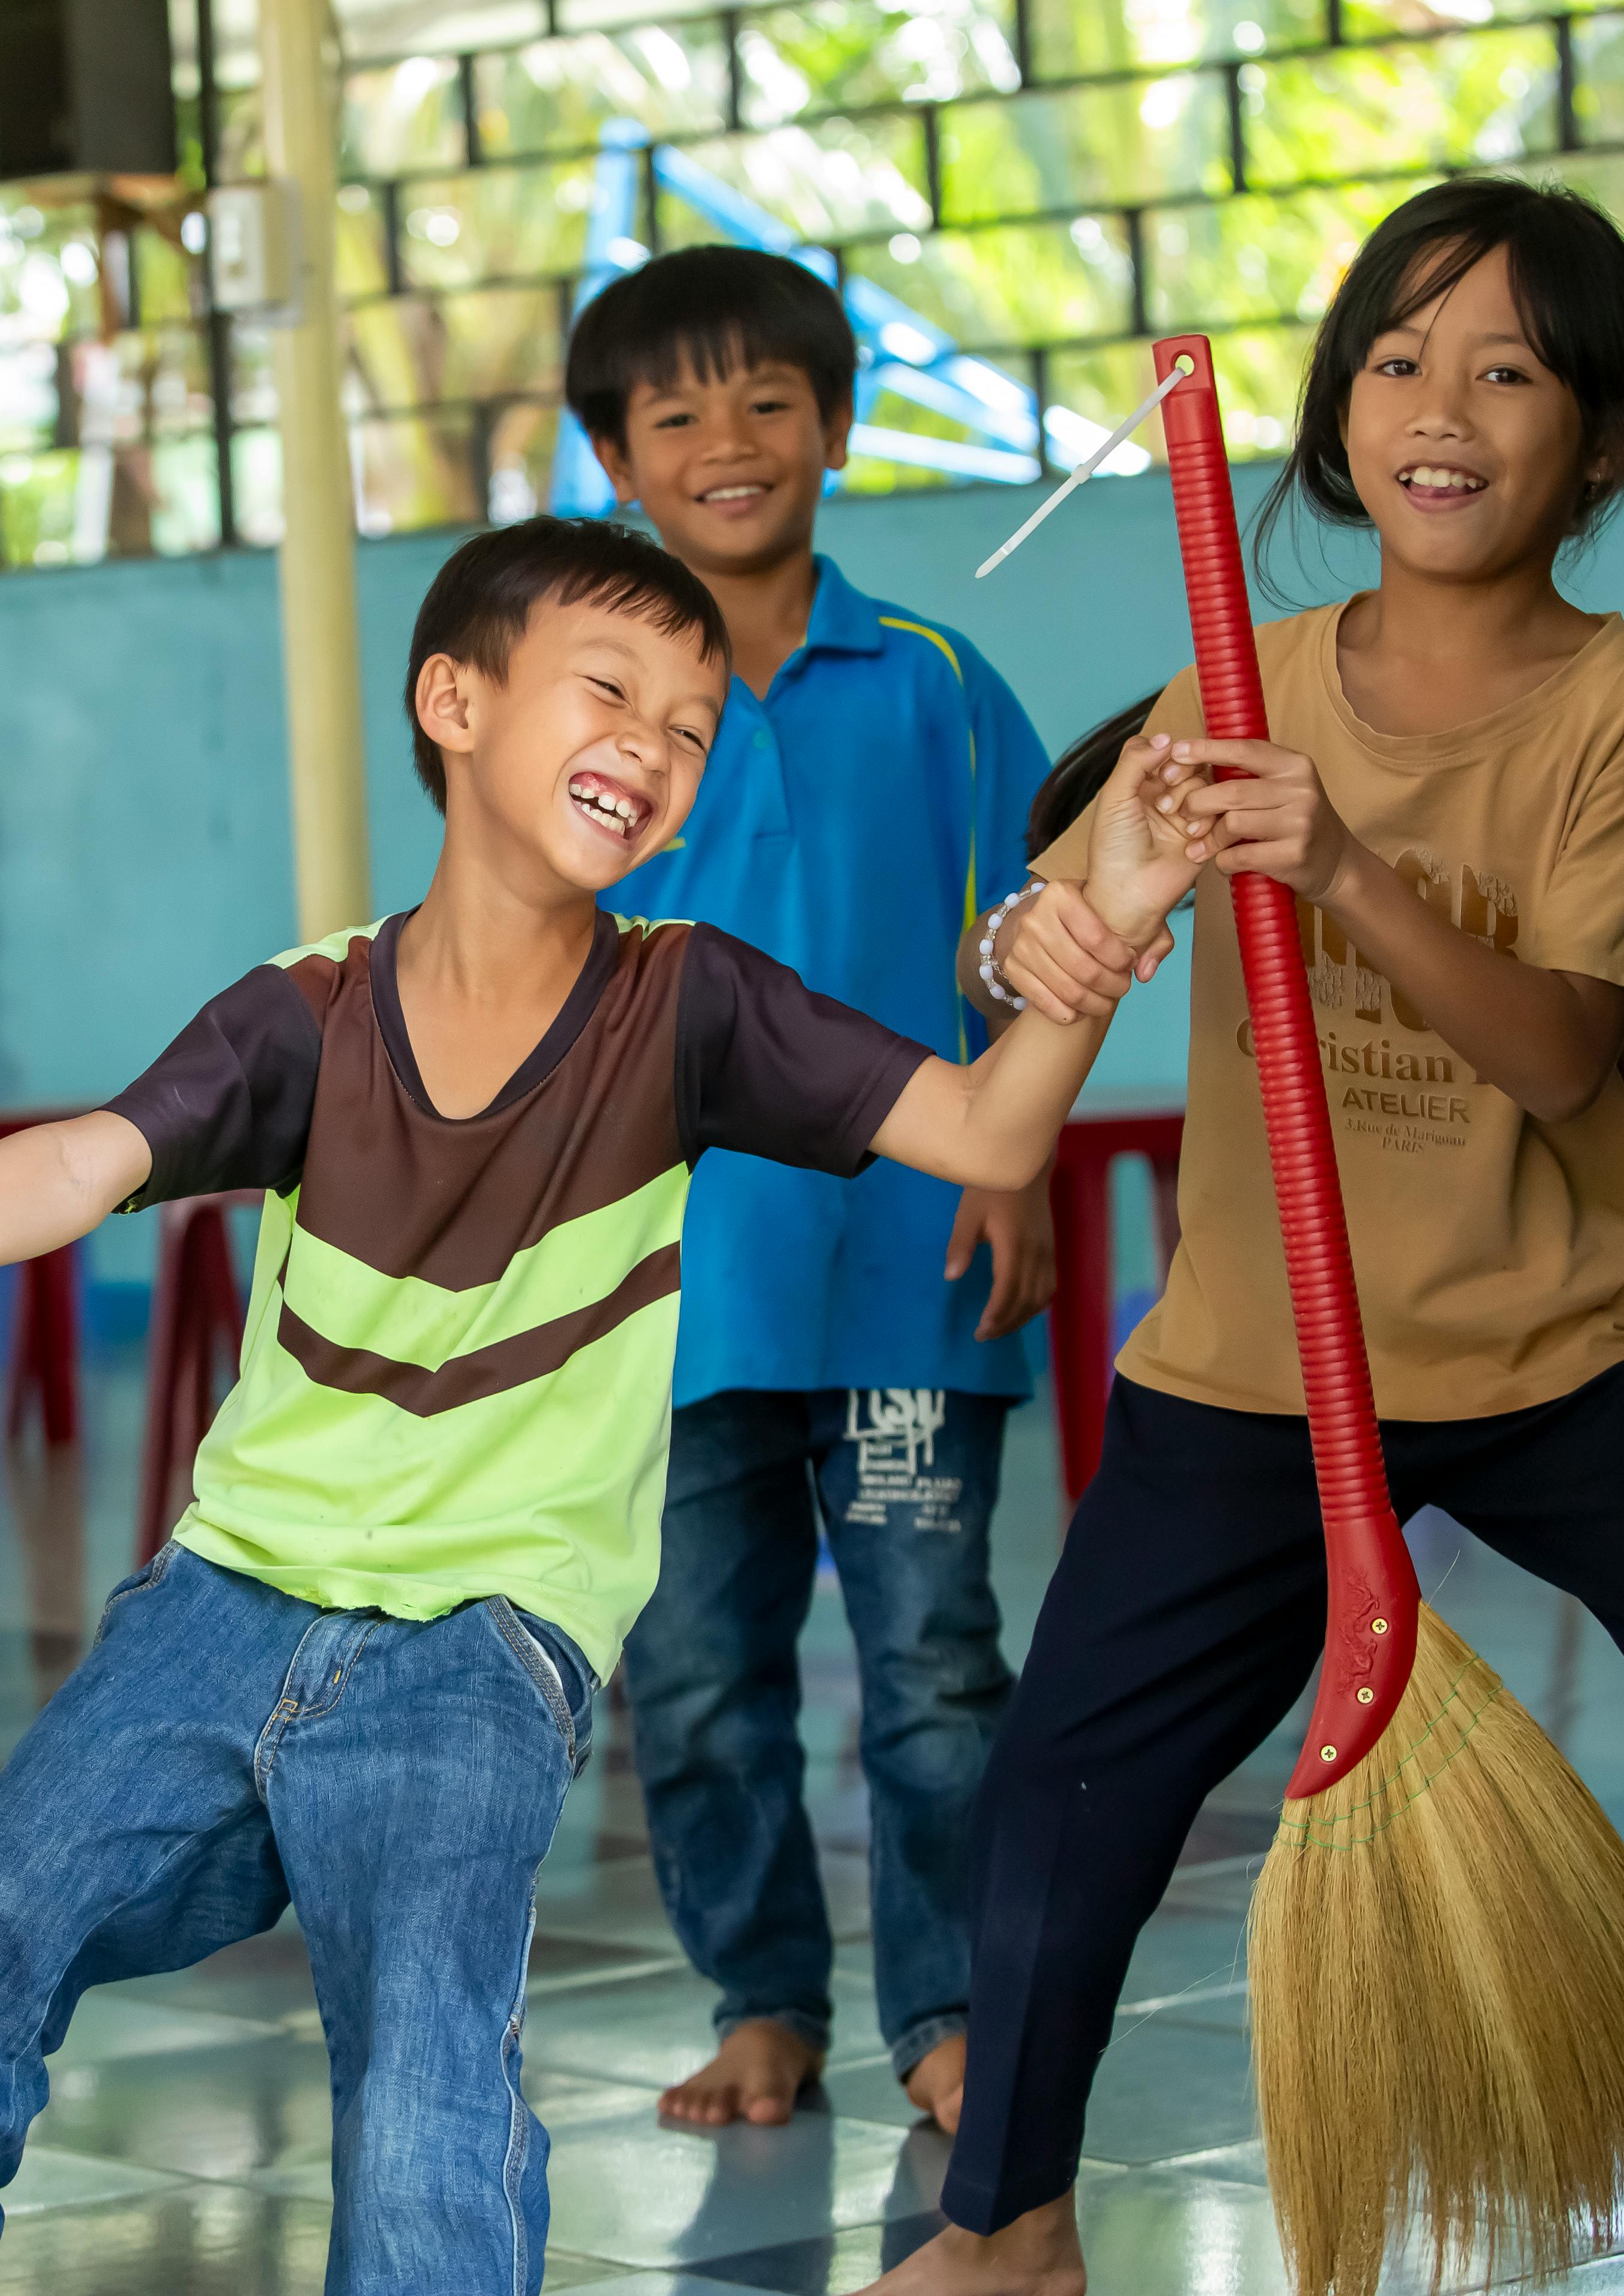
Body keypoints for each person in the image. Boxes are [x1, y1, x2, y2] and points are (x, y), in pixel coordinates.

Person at [0, 515, 1202, 2296]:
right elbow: (95, 1151)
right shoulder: (308, 1013)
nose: (654, 739)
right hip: (230, 1594)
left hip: (487, 1632)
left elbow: (992, 1131)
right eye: (608, 688)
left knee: (423, 2077)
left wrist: (1118, 912)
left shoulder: (687, 1001)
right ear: (453, 701)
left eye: (693, 725)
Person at [873, 176, 1624, 2296]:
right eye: (1402, 359)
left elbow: (1561, 1066)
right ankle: (1011, 2227)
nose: (1446, 406)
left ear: (1601, 440)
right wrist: (1048, 924)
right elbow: (1030, 954)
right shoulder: (1231, 687)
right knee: (1065, 1796)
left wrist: (1342, 861)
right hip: (1257, 1355)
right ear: (1336, 418)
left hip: (1575, 1341)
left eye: (1512, 369)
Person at [566, 243, 1057, 2135]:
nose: (731, 439)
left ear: (838, 427)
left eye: (770, 399)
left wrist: (1009, 1159)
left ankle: (945, 2008)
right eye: (676, 411)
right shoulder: (596, 706)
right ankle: (762, 1994)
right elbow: (535, 961)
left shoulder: (935, 683)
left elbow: (1029, 947)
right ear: (616, 457)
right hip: (671, 1290)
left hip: (908, 1272)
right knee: (695, 1675)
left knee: (934, 1667)